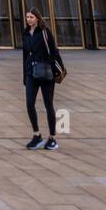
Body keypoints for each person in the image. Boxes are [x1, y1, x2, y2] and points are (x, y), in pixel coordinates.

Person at [22, 8, 66, 150]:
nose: (29, 20)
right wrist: (24, 74)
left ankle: (52, 138)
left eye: (32, 17)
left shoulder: (45, 33)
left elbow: (54, 51)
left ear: (38, 19)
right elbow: (25, 55)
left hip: (46, 73)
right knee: (29, 104)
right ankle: (37, 135)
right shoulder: (26, 33)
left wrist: (56, 71)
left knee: (48, 105)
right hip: (31, 73)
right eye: (27, 17)